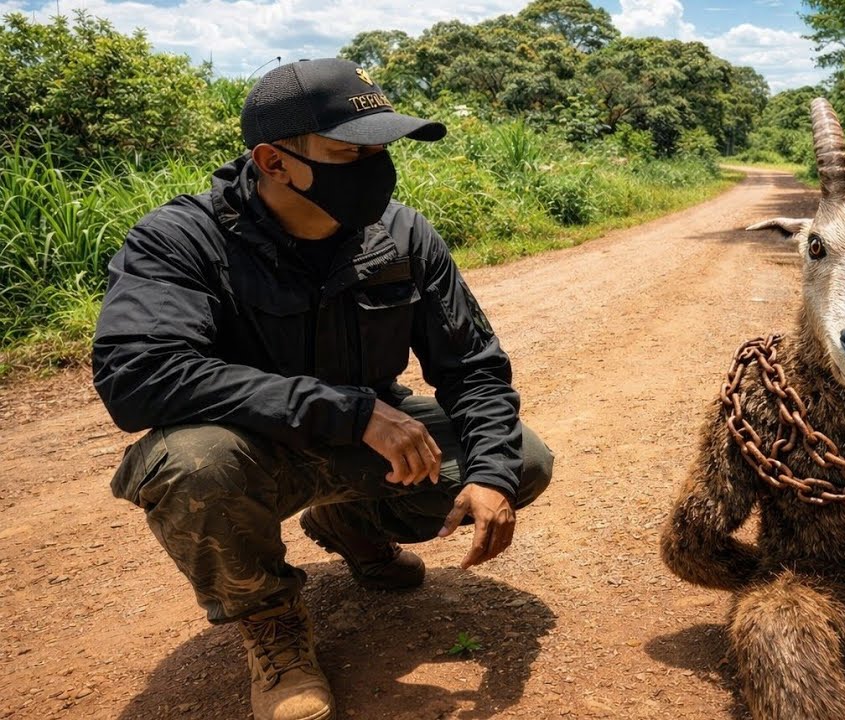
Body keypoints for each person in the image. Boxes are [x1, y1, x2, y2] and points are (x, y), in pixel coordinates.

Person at [92, 58, 554, 720]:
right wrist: (348, 411)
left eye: (380, 151)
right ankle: (274, 629)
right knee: (193, 466)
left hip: (368, 441)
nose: (374, 168)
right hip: (253, 451)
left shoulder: (403, 235)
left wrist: (493, 477)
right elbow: (137, 374)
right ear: (274, 162)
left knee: (521, 460)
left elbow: (471, 366)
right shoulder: (181, 240)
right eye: (348, 153)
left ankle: (351, 522)